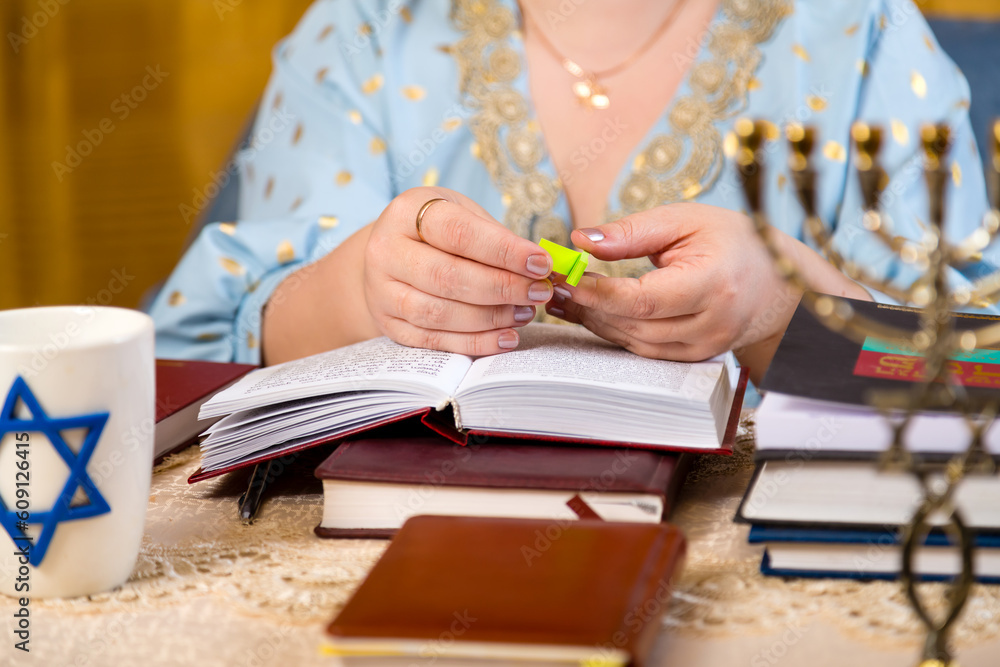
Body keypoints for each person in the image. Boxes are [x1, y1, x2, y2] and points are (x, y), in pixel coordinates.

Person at [151, 0, 995, 386]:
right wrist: (361, 289)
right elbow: (196, 355)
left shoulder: (858, 33)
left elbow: (973, 370)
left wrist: (785, 304)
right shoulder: (368, 29)